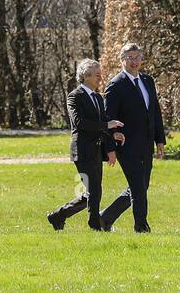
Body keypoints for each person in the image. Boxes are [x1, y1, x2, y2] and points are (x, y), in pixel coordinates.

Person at [47, 58, 124, 231]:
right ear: (86, 75)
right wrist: (107, 125)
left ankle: (58, 216)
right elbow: (80, 123)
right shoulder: (75, 96)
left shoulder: (97, 97)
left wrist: (112, 141)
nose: (100, 78)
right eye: (97, 75)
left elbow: (104, 123)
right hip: (82, 151)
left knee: (93, 191)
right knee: (94, 191)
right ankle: (95, 226)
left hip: (96, 150)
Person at [99, 43, 166, 232]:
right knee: (138, 186)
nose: (134, 61)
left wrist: (159, 139)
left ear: (142, 59)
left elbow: (155, 112)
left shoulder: (147, 80)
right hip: (126, 145)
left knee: (141, 186)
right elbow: (108, 117)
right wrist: (112, 140)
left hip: (146, 144)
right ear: (122, 60)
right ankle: (141, 227)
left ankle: (106, 217)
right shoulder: (116, 85)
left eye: (137, 57)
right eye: (130, 57)